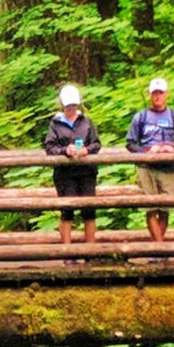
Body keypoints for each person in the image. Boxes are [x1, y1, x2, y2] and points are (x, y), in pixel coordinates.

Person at [126, 77, 174, 242]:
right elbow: (130, 143)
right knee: (150, 207)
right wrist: (146, 152)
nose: (157, 96)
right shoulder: (140, 117)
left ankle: (157, 246)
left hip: (168, 167)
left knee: (165, 208)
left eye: (160, 93)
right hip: (146, 167)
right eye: (154, 93)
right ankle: (160, 247)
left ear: (166, 94)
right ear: (150, 95)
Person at [43, 84, 101, 256]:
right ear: (62, 105)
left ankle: (90, 252)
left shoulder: (86, 122)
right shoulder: (55, 124)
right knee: (67, 211)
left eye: (73, 106)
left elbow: (96, 144)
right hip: (65, 174)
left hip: (87, 171)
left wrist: (87, 150)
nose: (71, 109)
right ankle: (68, 253)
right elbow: (49, 147)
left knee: (89, 211)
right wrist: (65, 151)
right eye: (68, 106)